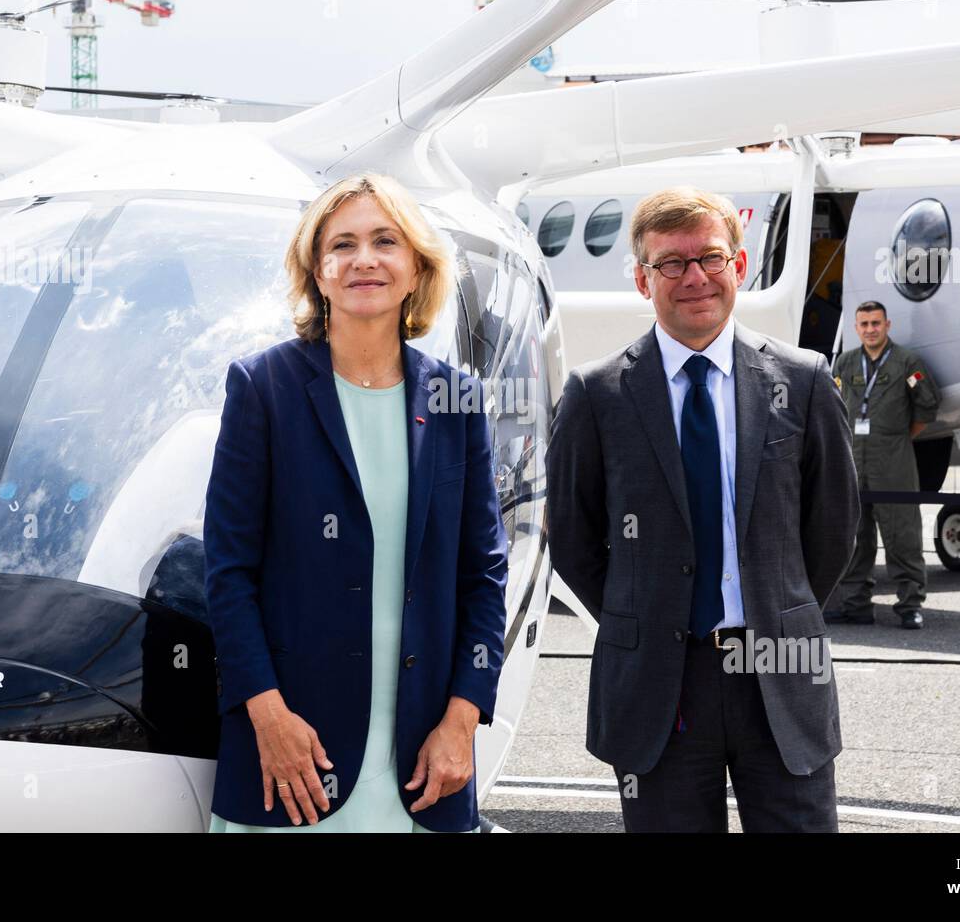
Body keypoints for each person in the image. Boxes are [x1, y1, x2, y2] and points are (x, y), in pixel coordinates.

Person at [547, 186, 860, 832]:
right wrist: (645, 614)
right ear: (642, 279)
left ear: (738, 269)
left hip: (779, 678)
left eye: (710, 259)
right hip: (660, 687)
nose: (694, 277)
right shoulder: (595, 395)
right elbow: (575, 543)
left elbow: (832, 530)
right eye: (671, 263)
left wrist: (780, 603)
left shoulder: (802, 384)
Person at [202, 172, 507, 832]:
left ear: (416, 266)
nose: (363, 259)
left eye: (385, 241)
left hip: (423, 764)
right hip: (291, 758)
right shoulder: (263, 388)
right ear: (318, 268)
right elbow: (228, 575)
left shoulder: (456, 401)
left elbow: (483, 578)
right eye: (342, 244)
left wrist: (463, 720)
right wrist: (267, 714)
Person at [825, 301, 941, 629]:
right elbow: (831, 407)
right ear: (856, 329)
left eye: (876, 323)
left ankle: (909, 605)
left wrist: (896, 438)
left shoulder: (907, 363)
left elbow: (926, 408)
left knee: (902, 534)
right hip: (853, 462)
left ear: (887, 325)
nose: (870, 329)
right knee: (854, 537)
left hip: (893, 463)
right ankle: (856, 605)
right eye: (864, 324)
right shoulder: (845, 364)